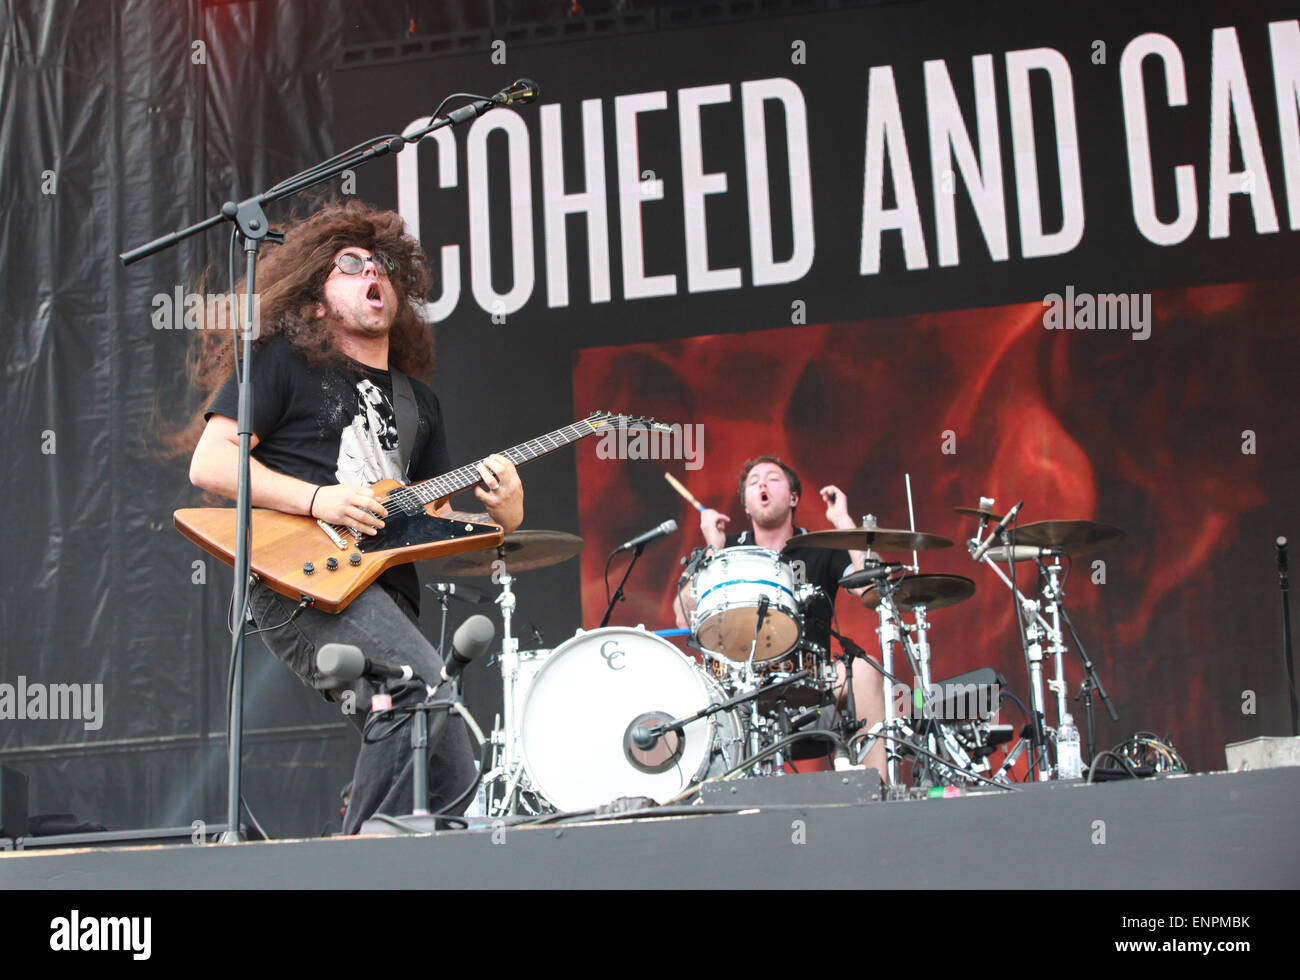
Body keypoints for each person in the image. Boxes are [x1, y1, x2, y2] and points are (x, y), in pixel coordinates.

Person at [183, 201, 524, 833]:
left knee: (446, 751)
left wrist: (504, 512)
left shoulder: (419, 401)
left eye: (384, 264)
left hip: (382, 590)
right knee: (419, 696)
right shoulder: (284, 362)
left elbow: (434, 515)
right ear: (315, 301)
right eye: (351, 263)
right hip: (306, 578)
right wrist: (320, 500)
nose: (374, 271)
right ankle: (358, 867)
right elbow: (210, 463)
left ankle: (380, 861)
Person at [675, 456, 887, 779]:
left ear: (793, 498)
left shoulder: (822, 547)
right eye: (754, 481)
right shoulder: (726, 550)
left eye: (773, 478)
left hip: (813, 681)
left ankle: (877, 792)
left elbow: (873, 589)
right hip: (739, 687)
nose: (762, 483)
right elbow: (683, 619)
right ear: (746, 505)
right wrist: (712, 550)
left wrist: (843, 521)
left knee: (865, 670)